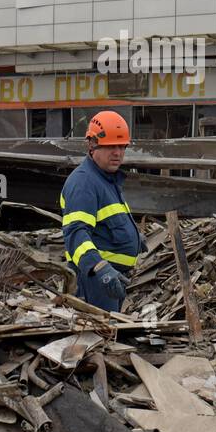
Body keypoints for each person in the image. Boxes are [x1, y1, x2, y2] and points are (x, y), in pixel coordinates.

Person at [60, 111, 143, 312]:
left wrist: (134, 238)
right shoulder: (84, 182)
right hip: (95, 280)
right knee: (98, 338)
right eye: (110, 146)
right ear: (92, 144)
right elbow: (76, 234)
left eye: (122, 146)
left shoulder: (106, 179)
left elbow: (109, 219)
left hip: (112, 278)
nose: (117, 153)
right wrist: (100, 268)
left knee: (109, 337)